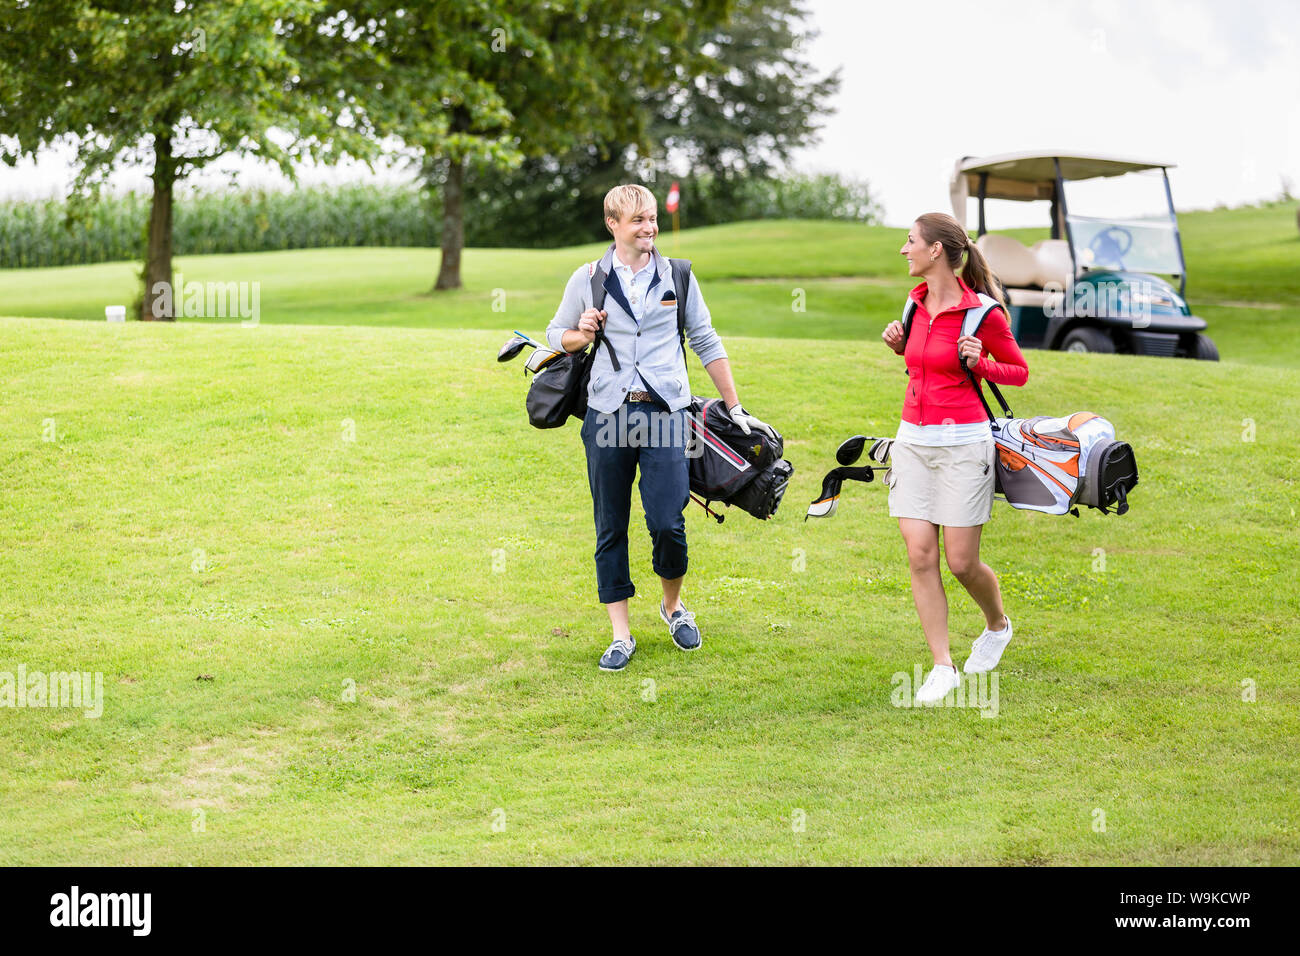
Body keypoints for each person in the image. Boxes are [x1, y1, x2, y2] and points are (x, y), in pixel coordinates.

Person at [546, 184, 775, 671]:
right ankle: (620, 634)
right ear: (613, 225)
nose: (649, 228)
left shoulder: (679, 276)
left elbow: (706, 339)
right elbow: (555, 336)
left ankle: (672, 606)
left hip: (666, 415)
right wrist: (581, 332)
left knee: (668, 519)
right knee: (610, 523)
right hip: (607, 414)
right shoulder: (587, 279)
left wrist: (735, 408)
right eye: (638, 221)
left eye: (652, 218)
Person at [881, 212, 1029, 704]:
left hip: (965, 445)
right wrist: (903, 347)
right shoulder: (914, 303)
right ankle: (942, 666)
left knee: (962, 562)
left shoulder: (983, 313)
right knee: (920, 555)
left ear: (936, 251)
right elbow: (920, 366)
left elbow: (1019, 372)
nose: (904, 250)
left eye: (910, 242)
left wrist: (980, 361)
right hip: (913, 442)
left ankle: (997, 624)